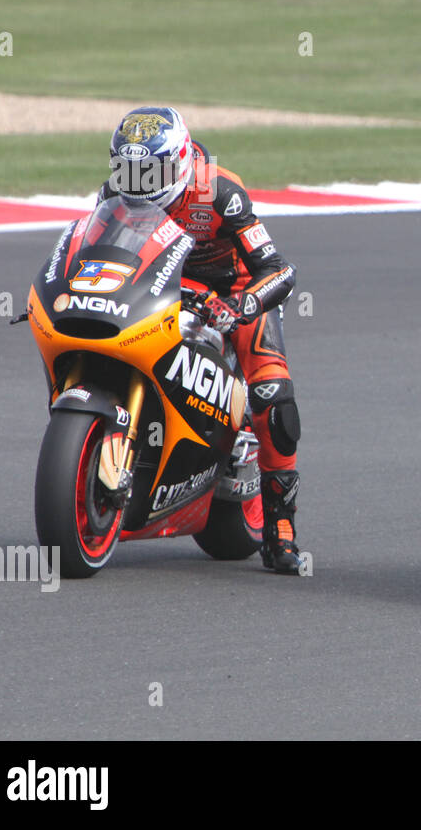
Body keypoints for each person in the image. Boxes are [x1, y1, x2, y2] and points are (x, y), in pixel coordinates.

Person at [102, 106, 304, 574]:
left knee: (272, 394)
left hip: (232, 295)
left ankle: (281, 526)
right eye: (128, 170)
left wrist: (241, 307)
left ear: (179, 162)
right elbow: (99, 249)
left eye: (149, 171)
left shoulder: (220, 192)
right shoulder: (114, 193)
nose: (137, 182)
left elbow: (278, 270)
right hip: (160, 292)